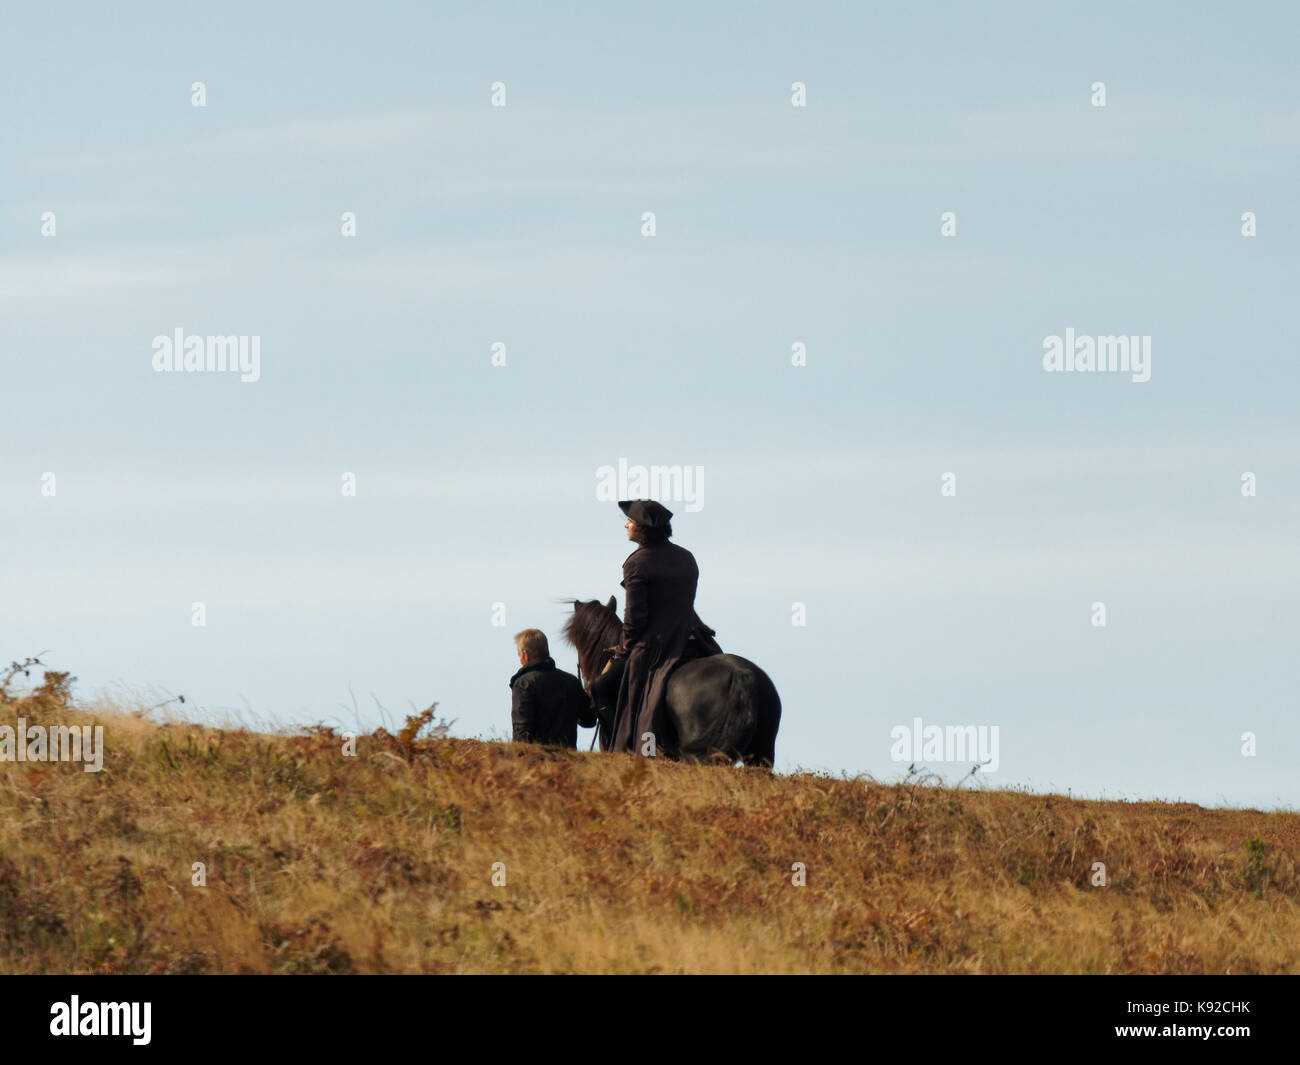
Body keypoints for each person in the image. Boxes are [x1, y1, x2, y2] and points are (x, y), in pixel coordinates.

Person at [594, 499, 722, 755]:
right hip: (695, 636)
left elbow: (635, 617)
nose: (626, 525)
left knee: (601, 688)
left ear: (642, 528)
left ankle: (622, 748)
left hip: (656, 643)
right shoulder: (686, 556)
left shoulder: (637, 562)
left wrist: (624, 648)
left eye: (630, 521)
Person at [509, 629, 595, 747]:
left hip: (537, 761)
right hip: (568, 761)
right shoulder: (571, 682)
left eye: (519, 654)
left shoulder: (523, 684)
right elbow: (589, 720)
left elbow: (521, 735)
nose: (519, 658)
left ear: (526, 655)